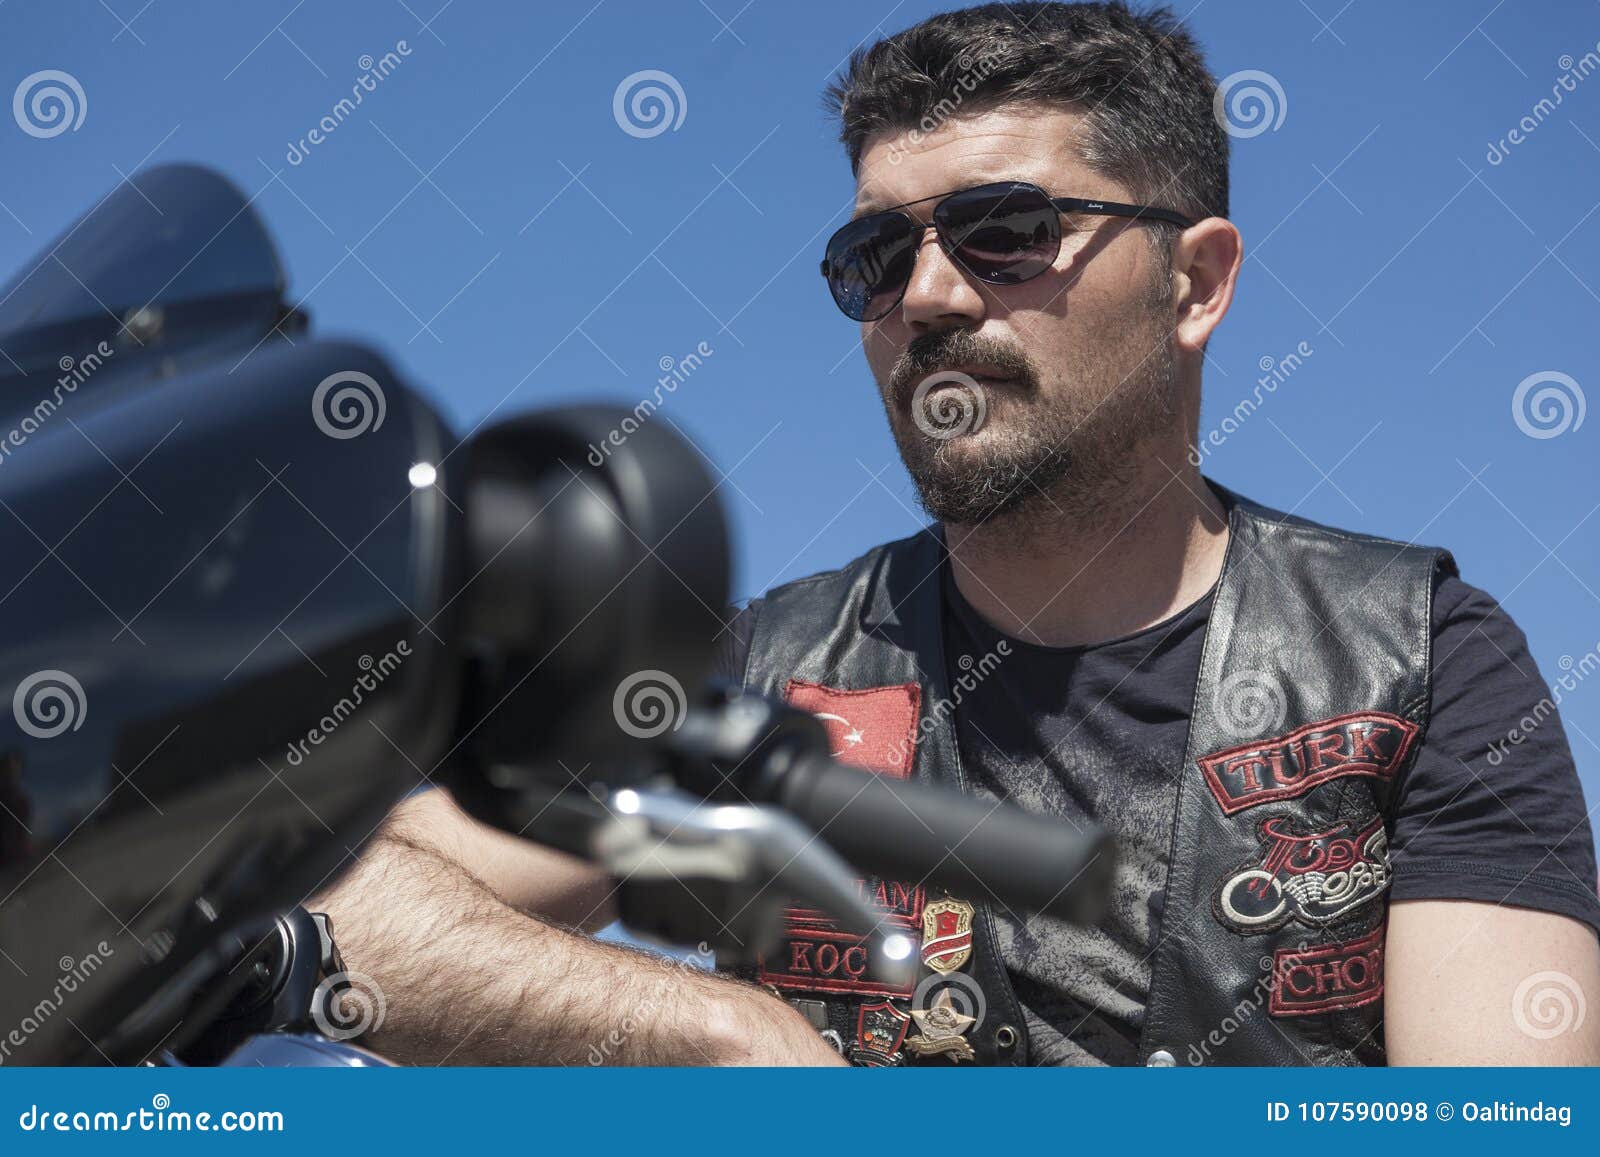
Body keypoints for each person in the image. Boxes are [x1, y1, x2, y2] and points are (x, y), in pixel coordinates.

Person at [316, 1, 1600, 1066]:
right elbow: (346, 898)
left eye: (1006, 232)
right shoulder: (755, 672)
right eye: (876, 255)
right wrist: (712, 1023)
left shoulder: (1419, 657)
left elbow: (1498, 1122)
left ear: (1194, 282)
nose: (928, 295)